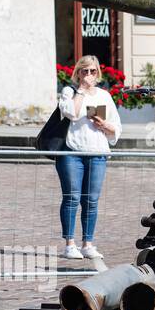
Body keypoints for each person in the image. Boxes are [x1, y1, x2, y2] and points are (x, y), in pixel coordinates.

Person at [56, 55, 121, 260]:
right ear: (78, 73)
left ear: (98, 73)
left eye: (93, 71)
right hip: (72, 153)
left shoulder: (104, 95)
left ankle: (88, 243)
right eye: (85, 71)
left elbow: (116, 127)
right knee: (72, 197)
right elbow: (71, 113)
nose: (89, 75)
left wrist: (104, 125)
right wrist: (82, 91)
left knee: (91, 200)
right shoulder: (70, 91)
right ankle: (69, 244)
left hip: (97, 152)